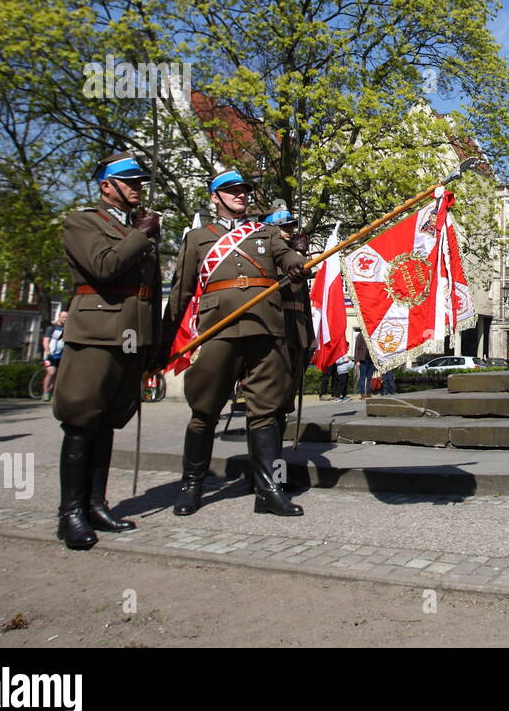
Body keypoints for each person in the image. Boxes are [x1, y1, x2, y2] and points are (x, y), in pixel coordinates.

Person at [162, 168, 308, 518]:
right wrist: (163, 339)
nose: (240, 195)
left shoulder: (267, 232)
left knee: (267, 412)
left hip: (265, 326)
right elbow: (181, 290)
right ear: (215, 197)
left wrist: (297, 264)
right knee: (204, 409)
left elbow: (287, 257)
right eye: (230, 191)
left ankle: (269, 490)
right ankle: (191, 485)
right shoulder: (198, 238)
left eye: (243, 190)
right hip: (218, 328)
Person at [51, 153, 162, 550]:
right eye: (129, 182)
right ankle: (70, 513)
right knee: (82, 421)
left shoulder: (138, 228)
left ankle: (96, 504)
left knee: (109, 421)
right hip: (97, 333)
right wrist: (141, 235)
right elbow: (102, 267)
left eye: (139, 183)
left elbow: (148, 290)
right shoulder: (83, 221)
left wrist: (155, 342)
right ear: (106, 187)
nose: (137, 188)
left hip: (133, 334)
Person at [265, 201, 312, 437]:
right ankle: (268, 441)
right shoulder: (265, 254)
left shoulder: (294, 254)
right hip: (277, 325)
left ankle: (277, 436)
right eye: (283, 227)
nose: (289, 231)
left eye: (291, 226)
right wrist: (297, 256)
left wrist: (310, 336)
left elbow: (305, 300)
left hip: (298, 328)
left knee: (289, 392)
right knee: (273, 389)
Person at [40, 311, 68, 401]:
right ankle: (45, 392)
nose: (65, 319)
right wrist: (47, 352)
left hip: (61, 355)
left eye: (66, 318)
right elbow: (46, 340)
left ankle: (51, 392)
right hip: (51, 354)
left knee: (57, 375)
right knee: (51, 373)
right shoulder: (51, 328)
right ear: (59, 317)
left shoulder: (67, 329)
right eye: (63, 317)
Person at [354, 328, 375, 399]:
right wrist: (357, 360)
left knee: (369, 377)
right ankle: (362, 393)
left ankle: (368, 392)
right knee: (362, 377)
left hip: (371, 360)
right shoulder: (360, 335)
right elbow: (356, 348)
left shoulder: (373, 334)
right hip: (363, 359)